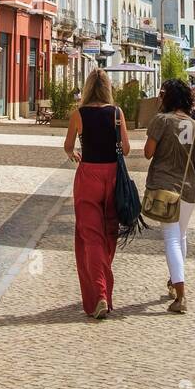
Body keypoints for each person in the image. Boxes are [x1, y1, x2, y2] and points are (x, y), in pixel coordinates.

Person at [144, 78, 195, 314]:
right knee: (181, 235)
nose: (160, 98)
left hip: (165, 188)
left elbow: (148, 153)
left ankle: (180, 295)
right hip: (189, 189)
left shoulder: (161, 121)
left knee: (171, 237)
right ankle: (174, 281)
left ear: (169, 98)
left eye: (162, 94)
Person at [64, 68, 130, 320]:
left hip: (88, 177)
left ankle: (100, 295)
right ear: (107, 89)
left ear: (88, 87)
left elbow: (68, 146)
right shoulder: (116, 113)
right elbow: (125, 148)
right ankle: (103, 291)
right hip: (112, 177)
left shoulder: (78, 114)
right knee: (108, 234)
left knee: (90, 237)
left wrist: (74, 155)